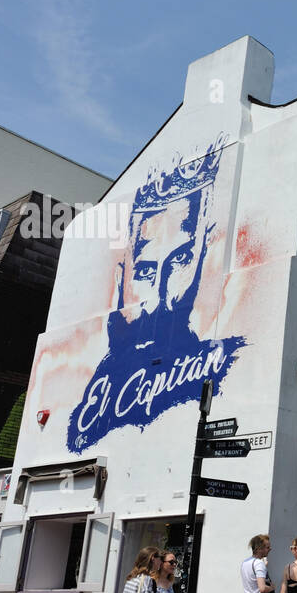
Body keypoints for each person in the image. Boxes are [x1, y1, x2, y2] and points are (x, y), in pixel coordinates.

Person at [68, 138, 244, 452]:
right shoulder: (84, 397)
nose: (159, 297)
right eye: (146, 270)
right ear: (121, 274)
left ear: (204, 259)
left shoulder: (227, 362)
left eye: (179, 260)